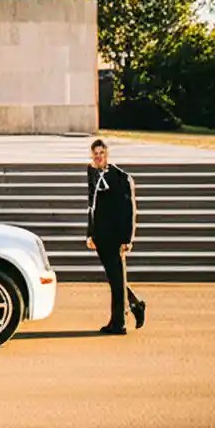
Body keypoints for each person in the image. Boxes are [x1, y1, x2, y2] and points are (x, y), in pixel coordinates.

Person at [86, 139, 146, 334]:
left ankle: (118, 323)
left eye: (101, 153)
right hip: (100, 236)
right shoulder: (91, 173)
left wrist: (127, 239)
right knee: (115, 279)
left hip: (115, 237)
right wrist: (90, 233)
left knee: (116, 279)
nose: (98, 156)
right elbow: (91, 206)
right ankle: (134, 305)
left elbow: (129, 210)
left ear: (107, 154)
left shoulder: (121, 178)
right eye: (95, 153)